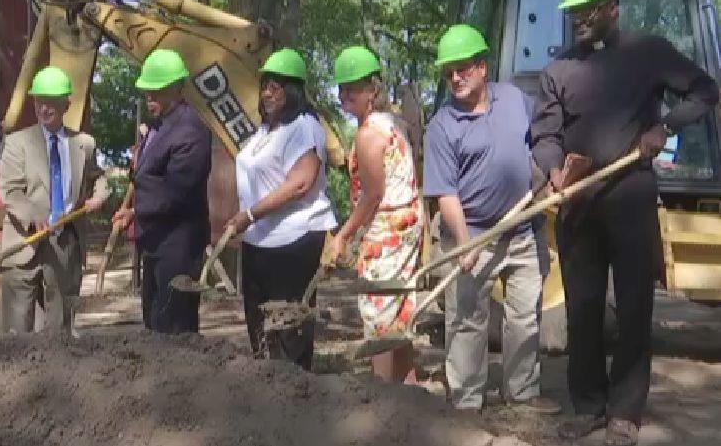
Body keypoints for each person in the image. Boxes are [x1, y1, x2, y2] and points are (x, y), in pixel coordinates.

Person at [531, 0, 719, 446]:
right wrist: (553, 169)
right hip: (578, 203)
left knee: (634, 307)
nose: (579, 19)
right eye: (573, 12)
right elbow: (544, 135)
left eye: (588, 10)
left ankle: (625, 412)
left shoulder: (648, 52)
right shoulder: (558, 70)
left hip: (632, 197)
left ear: (613, 7)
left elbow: (705, 91)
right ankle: (588, 406)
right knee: (582, 309)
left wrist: (665, 127)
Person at [422, 25, 559, 415]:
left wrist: (553, 172)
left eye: (462, 68)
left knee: (524, 317)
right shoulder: (442, 126)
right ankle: (466, 401)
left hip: (523, 231)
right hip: (472, 235)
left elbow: (544, 139)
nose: (455, 78)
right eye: (448, 72)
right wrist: (465, 241)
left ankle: (522, 393)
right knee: (467, 320)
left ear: (483, 67)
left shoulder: (515, 100)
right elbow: (446, 193)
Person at [227, 48, 338, 370]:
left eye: (275, 87)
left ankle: (294, 394)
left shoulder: (304, 126)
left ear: (293, 90)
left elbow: (300, 183)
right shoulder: (265, 131)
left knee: (290, 332)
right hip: (258, 242)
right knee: (260, 331)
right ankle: (266, 391)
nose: (266, 94)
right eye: (264, 87)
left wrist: (250, 215)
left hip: (294, 241)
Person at [327, 46, 424, 383]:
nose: (345, 95)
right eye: (342, 88)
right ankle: (409, 389)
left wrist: (343, 235)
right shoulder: (393, 123)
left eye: (353, 88)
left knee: (379, 312)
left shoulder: (369, 134)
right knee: (400, 310)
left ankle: (381, 392)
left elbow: (372, 195)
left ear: (373, 88)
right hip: (407, 224)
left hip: (387, 230)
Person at [0, 66, 107, 334]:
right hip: (24, 242)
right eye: (39, 101)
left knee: (60, 331)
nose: (44, 108)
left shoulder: (84, 144)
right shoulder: (17, 143)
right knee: (15, 334)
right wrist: (33, 215)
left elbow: (98, 178)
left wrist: (100, 194)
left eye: (51, 102)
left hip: (64, 245)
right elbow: (11, 190)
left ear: (66, 104)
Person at [112, 49, 212, 334]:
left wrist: (136, 211)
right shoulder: (161, 125)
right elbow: (146, 177)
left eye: (157, 90)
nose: (149, 96)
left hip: (178, 245)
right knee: (154, 322)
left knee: (174, 327)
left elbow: (177, 192)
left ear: (178, 88)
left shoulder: (190, 131)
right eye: (147, 90)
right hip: (156, 241)